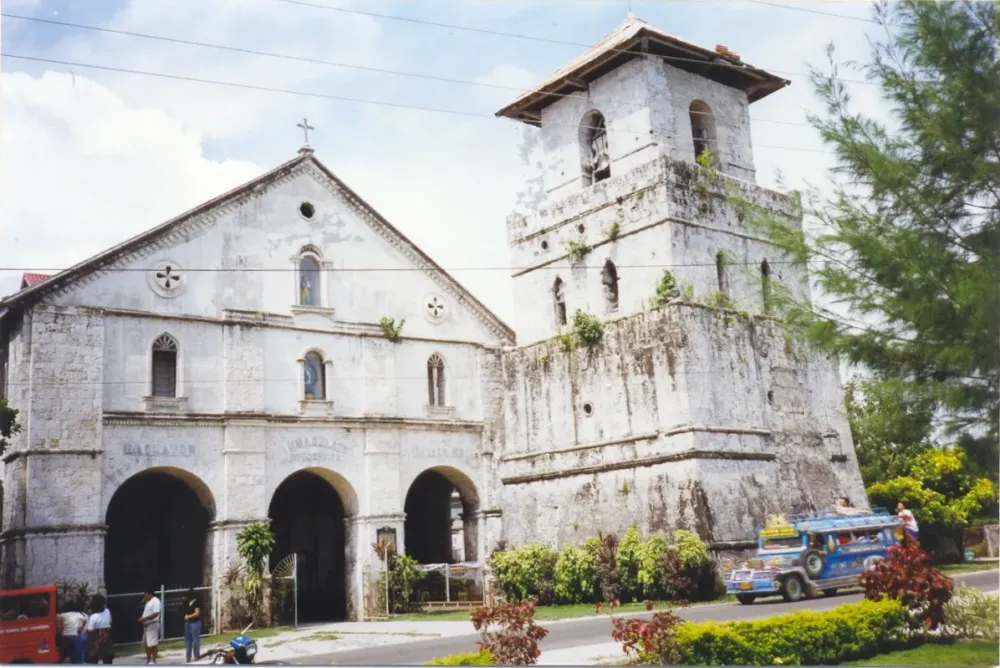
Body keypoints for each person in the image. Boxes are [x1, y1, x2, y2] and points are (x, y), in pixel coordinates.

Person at [85, 595, 113, 665]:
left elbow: (90, 630)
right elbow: (110, 621)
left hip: (96, 639)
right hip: (107, 637)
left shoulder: (93, 617)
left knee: (93, 658)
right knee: (107, 658)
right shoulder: (107, 611)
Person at [59, 600, 89, 664]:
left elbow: (58, 621)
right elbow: (84, 620)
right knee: (75, 655)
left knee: (65, 653)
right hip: (75, 635)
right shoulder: (77, 614)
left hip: (65, 636)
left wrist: (61, 629)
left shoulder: (63, 615)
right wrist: (81, 628)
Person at [138, 588, 161, 665]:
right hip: (146, 625)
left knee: (152, 644)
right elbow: (141, 602)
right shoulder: (148, 602)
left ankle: (153, 660)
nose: (144, 595)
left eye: (145, 594)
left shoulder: (155, 601)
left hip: (153, 624)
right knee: (146, 644)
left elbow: (156, 614)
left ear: (150, 593)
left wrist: (144, 618)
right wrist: (145, 599)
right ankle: (148, 659)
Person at [183, 589, 202, 663]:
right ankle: (188, 657)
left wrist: (188, 617)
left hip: (195, 622)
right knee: (188, 640)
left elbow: (197, 613)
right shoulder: (187, 602)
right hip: (188, 623)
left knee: (195, 640)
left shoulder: (196, 602)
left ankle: (196, 655)